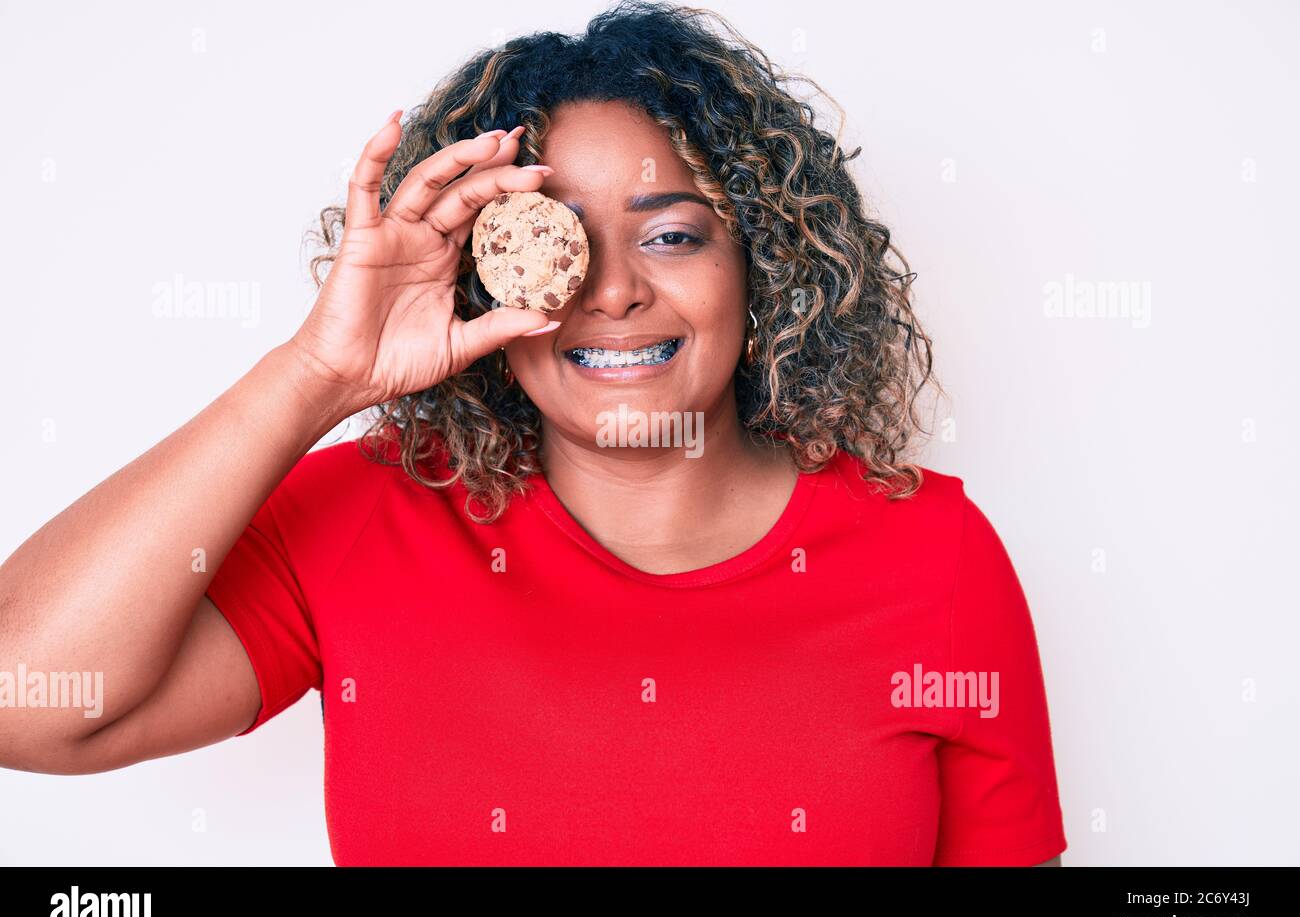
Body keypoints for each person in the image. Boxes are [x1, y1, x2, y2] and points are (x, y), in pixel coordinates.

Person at [0, 1, 1067, 866]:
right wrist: (315, 376)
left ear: (764, 267)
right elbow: (27, 701)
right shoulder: (365, 517)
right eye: (552, 236)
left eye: (672, 232)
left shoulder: (931, 555)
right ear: (480, 278)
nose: (608, 290)